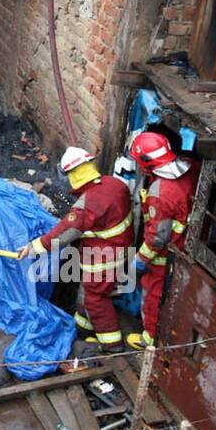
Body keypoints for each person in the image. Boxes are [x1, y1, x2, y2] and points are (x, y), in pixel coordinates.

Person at [15, 146, 133, 353]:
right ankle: (83, 327)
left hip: (103, 257)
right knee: (87, 292)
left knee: (95, 299)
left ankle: (111, 344)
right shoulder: (114, 184)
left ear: (72, 174)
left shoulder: (86, 204)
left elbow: (64, 234)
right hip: (121, 248)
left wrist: (34, 247)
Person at [126, 131, 201, 349]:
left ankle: (149, 339)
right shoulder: (190, 167)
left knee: (153, 296)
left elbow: (158, 238)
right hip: (189, 245)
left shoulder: (161, 194)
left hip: (165, 256)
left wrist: (139, 260)